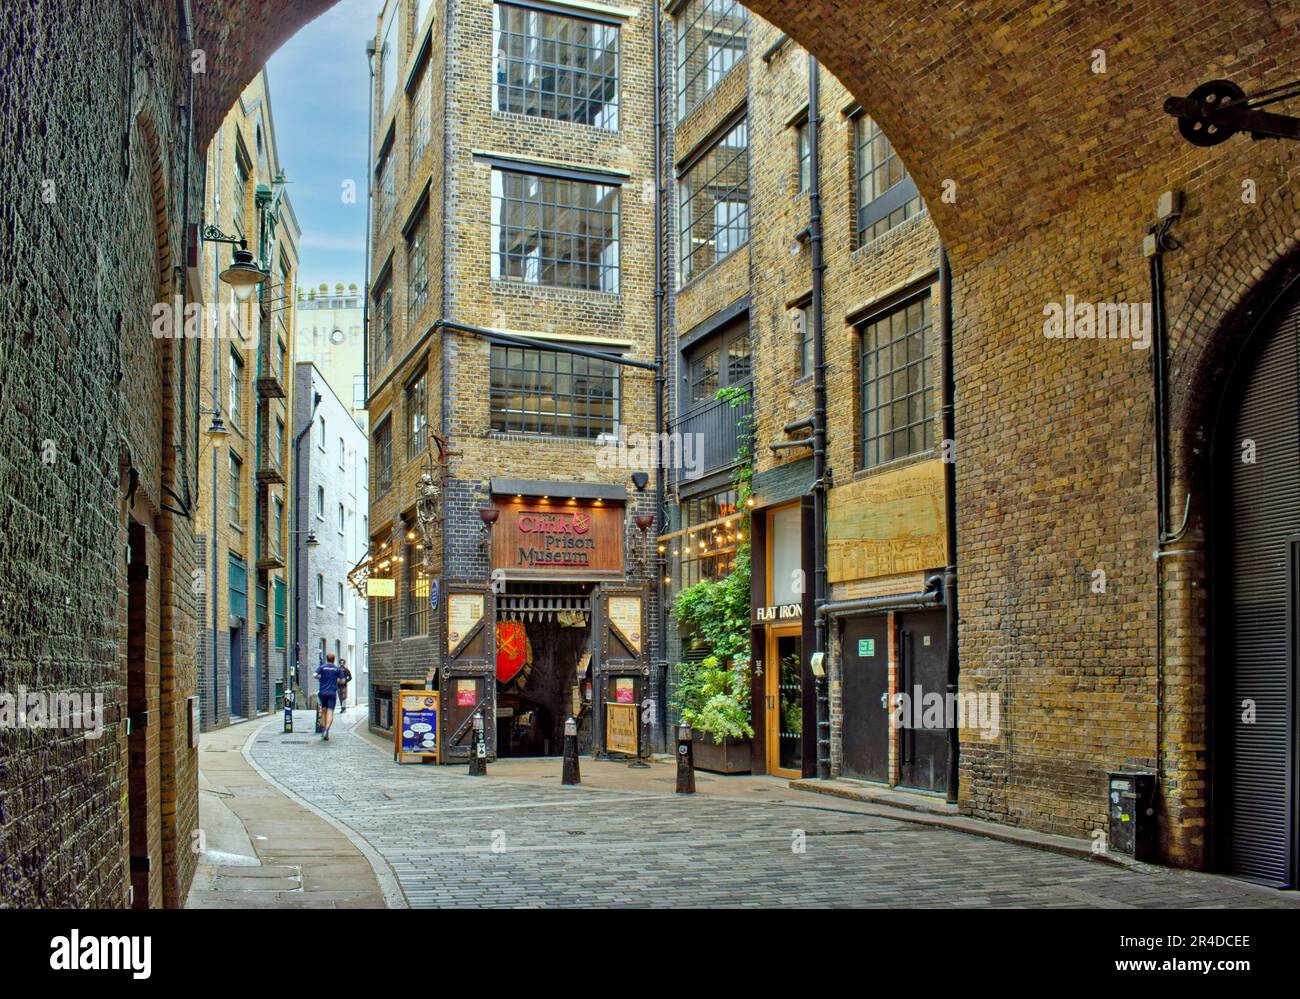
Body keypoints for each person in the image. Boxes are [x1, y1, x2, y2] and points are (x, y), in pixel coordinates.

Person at [314, 653, 345, 741]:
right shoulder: (337, 669)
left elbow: (314, 675)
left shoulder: (322, 667)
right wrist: (337, 680)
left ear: (326, 659)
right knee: (330, 712)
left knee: (323, 711)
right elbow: (343, 680)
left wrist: (321, 678)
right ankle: (327, 730)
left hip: (322, 692)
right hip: (332, 693)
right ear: (334, 659)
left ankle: (323, 729)